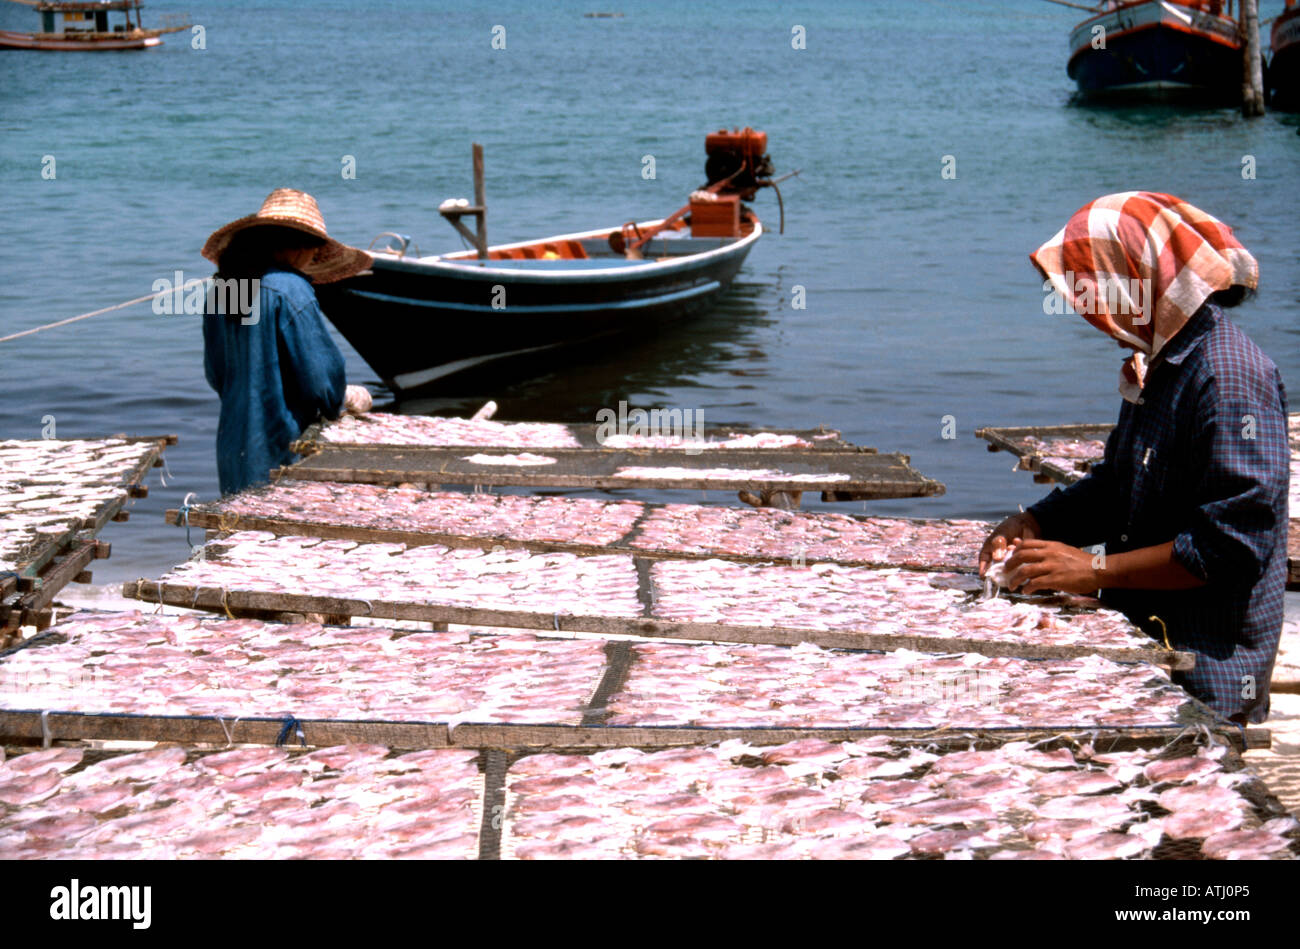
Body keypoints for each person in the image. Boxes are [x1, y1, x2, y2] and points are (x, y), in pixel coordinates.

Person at [979, 191, 1289, 725]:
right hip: (1144, 630)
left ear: (1136, 283)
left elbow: (1227, 549)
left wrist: (1093, 569)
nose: (1084, 310)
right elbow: (1117, 485)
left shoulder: (1229, 378)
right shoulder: (1161, 364)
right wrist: (1037, 520)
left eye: (1089, 291)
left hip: (1203, 667)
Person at [200, 188, 374, 496]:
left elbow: (217, 376)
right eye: (314, 252)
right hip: (283, 447)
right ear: (299, 248)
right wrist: (346, 396)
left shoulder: (224, 290)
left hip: (233, 446)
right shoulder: (291, 289)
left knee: (240, 534)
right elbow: (322, 382)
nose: (312, 259)